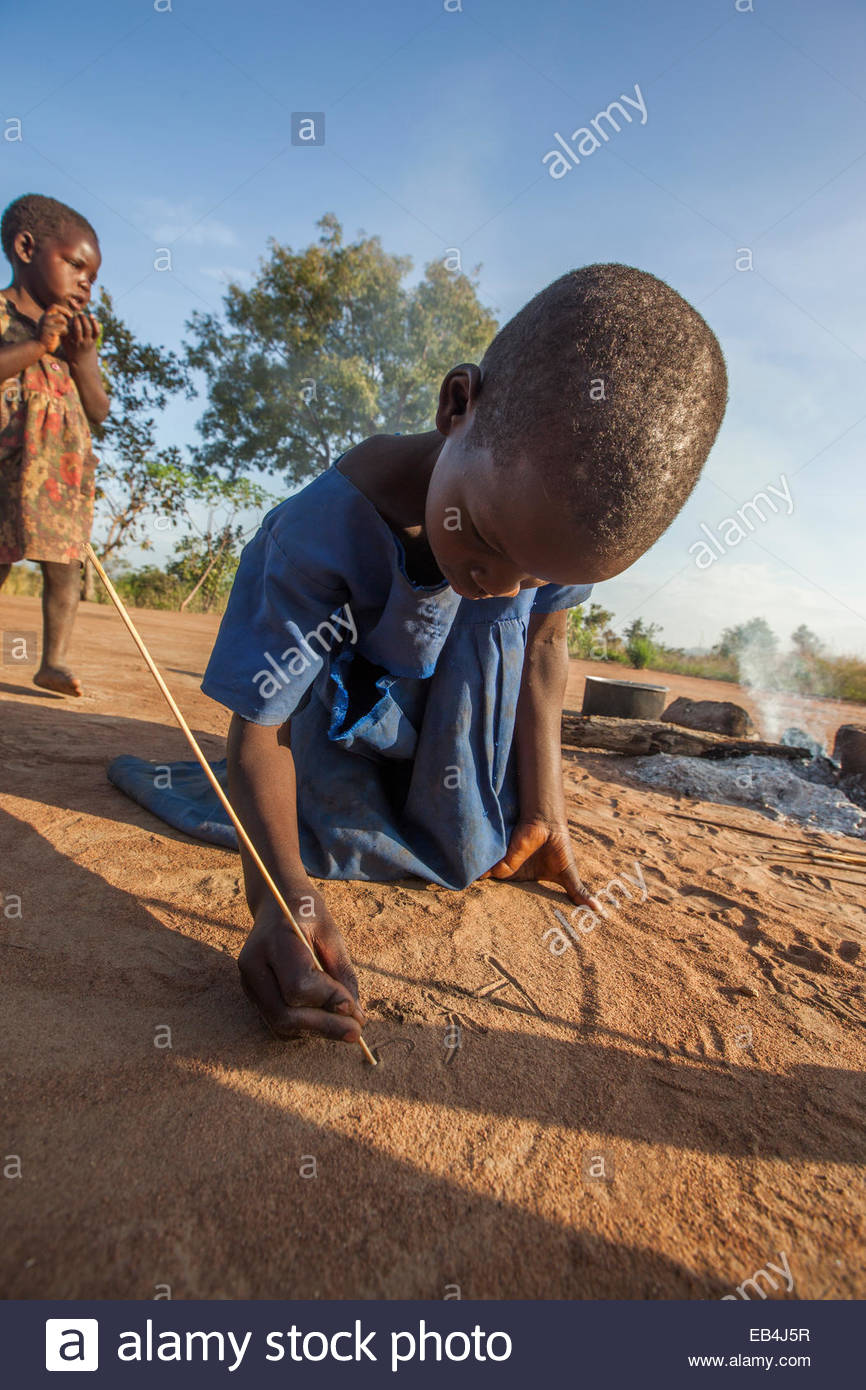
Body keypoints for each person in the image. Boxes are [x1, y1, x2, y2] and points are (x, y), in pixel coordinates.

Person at [201, 263, 728, 1049]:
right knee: (320, 830)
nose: (498, 585)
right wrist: (282, 897)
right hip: (336, 729)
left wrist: (545, 811)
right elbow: (260, 728)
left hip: (443, 739)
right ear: (457, 405)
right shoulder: (315, 536)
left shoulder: (537, 520)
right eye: (481, 540)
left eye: (539, 573)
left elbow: (545, 644)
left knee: (470, 837)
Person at [0, 193, 108, 697]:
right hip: (5, 465)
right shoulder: (3, 316)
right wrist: (37, 347)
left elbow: (100, 411)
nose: (86, 281)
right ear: (25, 247)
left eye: (93, 273)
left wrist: (82, 358)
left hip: (59, 474)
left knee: (64, 565)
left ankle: (54, 660)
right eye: (75, 264)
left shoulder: (78, 337)